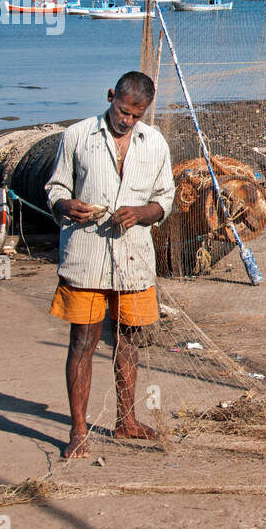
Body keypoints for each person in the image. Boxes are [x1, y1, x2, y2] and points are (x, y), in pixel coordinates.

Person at [46, 71, 176, 459]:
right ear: (110, 98)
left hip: (133, 261)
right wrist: (65, 206)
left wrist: (140, 213)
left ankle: (126, 422)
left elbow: (164, 202)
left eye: (136, 115)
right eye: (122, 111)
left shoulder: (155, 143)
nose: (127, 120)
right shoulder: (78, 137)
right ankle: (79, 430)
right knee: (83, 343)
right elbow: (56, 189)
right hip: (86, 258)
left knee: (128, 343)